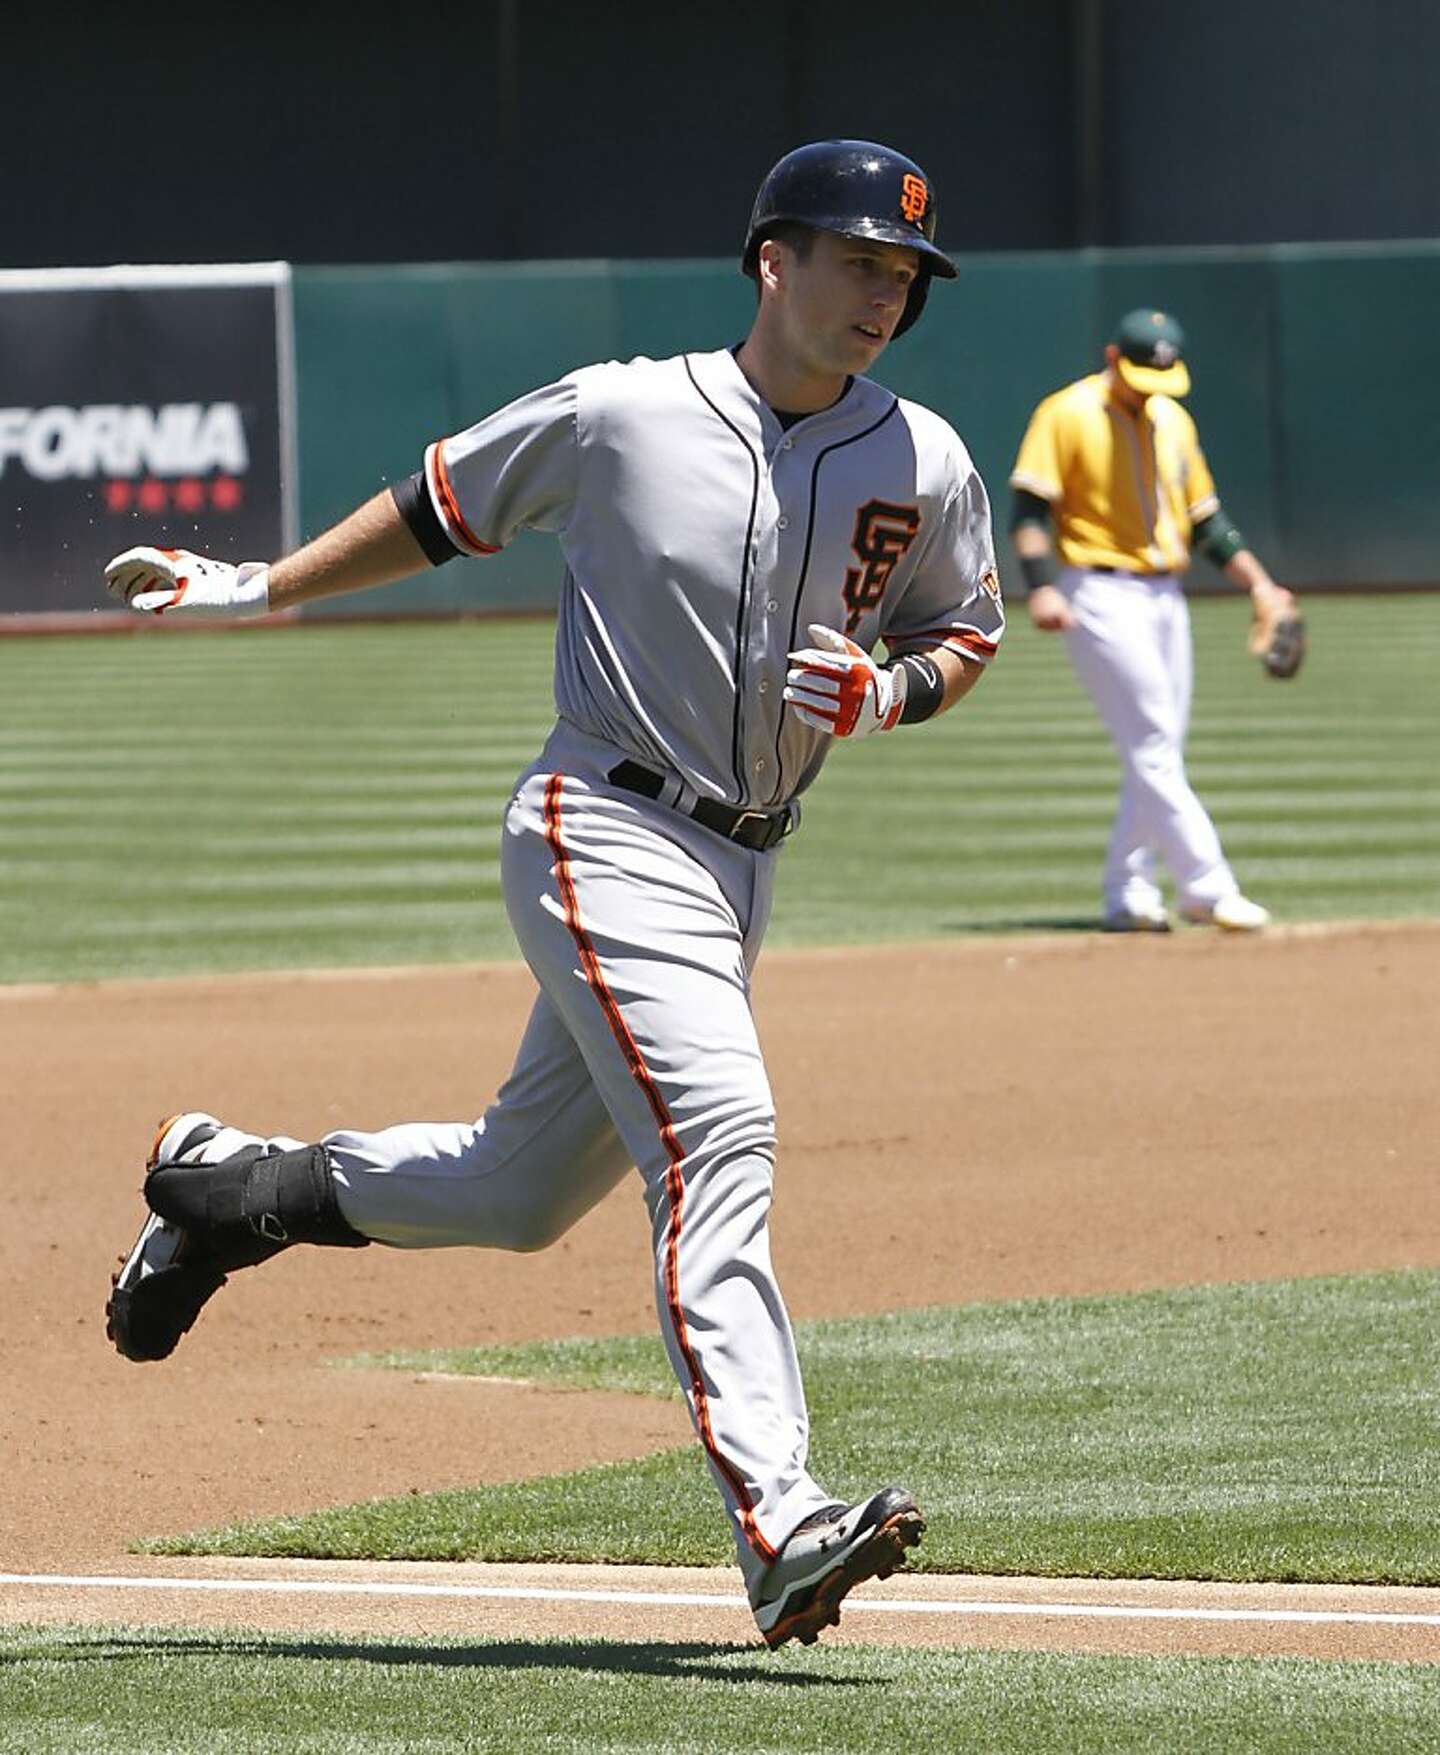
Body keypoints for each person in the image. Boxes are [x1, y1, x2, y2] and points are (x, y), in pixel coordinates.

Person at [100, 139, 1006, 1650]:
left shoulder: (923, 457)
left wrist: (892, 692)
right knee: (719, 1129)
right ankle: (780, 1520)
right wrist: (253, 586)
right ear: (771, 259)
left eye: (906, 276)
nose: (884, 296)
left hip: (742, 863)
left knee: (518, 1193)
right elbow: (437, 503)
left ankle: (226, 1184)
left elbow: (962, 625)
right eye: (858, 261)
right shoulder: (623, 410)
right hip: (602, 823)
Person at [1009, 308, 1298, 932]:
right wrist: (1040, 590)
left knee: (1158, 748)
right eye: (1140, 374)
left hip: (1168, 596)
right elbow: (1029, 513)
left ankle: (1128, 891)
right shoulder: (1066, 413)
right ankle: (1207, 886)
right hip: (1097, 592)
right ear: (1114, 358)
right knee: (1153, 743)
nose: (1150, 390)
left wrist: (1263, 586)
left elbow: (1206, 523)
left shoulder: (1174, 420)